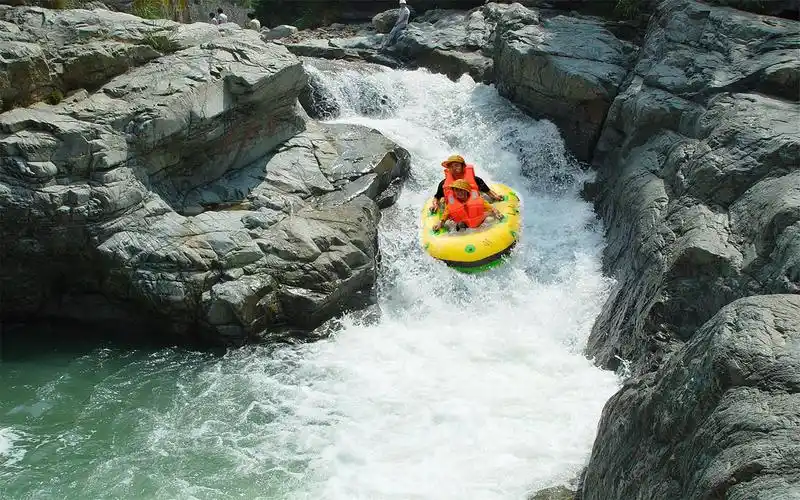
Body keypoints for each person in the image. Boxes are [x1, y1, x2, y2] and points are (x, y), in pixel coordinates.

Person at [429, 154, 503, 214]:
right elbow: (437, 197)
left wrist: (496, 196)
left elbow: (488, 192)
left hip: (473, 203)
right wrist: (435, 205)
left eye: (456, 165)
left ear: (463, 166)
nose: (454, 168)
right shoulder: (444, 184)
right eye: (451, 167)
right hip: (454, 206)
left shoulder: (475, 179)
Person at [432, 179, 502, 231]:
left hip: (479, 222)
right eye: (456, 190)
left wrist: (496, 212)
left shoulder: (477, 200)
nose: (459, 192)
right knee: (459, 225)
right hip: (463, 224)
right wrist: (439, 224)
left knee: (489, 216)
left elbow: (491, 208)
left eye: (461, 190)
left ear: (466, 191)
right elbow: (444, 217)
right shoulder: (452, 203)